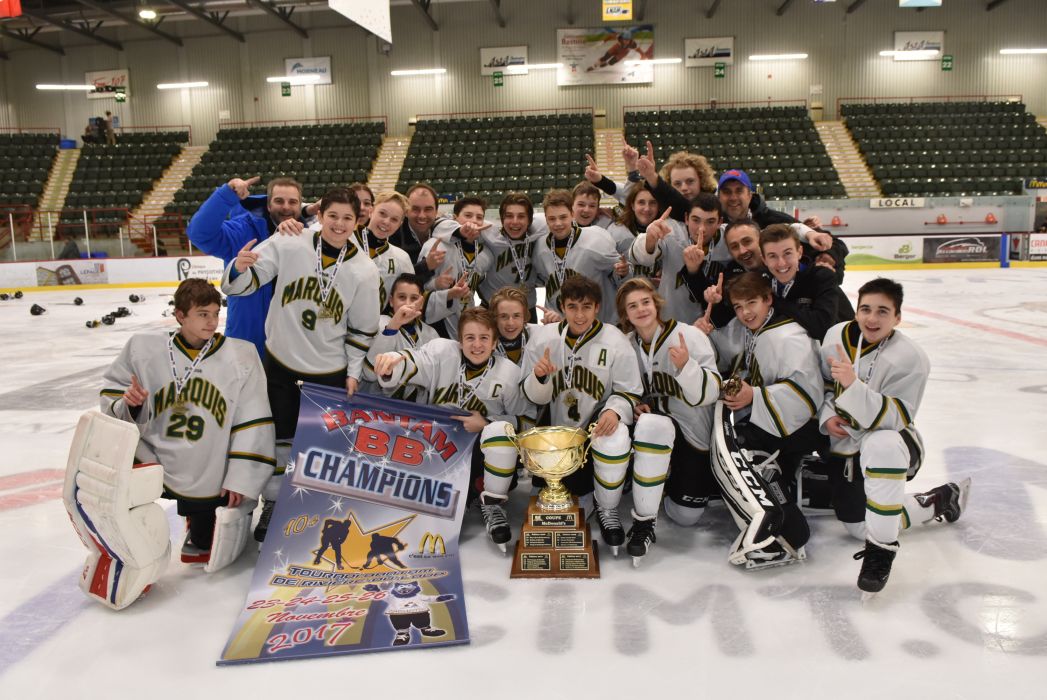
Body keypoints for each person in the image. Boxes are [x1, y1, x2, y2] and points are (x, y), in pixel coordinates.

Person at [222, 187, 380, 542]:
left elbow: (361, 328)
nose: (339, 224)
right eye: (333, 215)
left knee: (323, 448)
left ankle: (320, 514)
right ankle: (274, 504)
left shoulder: (364, 270)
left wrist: (354, 371)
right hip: (281, 362)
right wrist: (239, 267)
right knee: (280, 440)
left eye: (348, 218)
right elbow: (242, 284)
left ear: (359, 221)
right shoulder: (290, 241)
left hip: (329, 368)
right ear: (320, 214)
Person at [99, 278, 275, 567]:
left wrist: (241, 476)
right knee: (116, 489)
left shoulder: (241, 355)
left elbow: (253, 421)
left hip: (208, 468)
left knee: (204, 546)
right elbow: (112, 395)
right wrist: (130, 404)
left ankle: (199, 515)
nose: (212, 322)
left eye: (216, 314)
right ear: (180, 316)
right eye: (202, 314)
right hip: (154, 453)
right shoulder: (143, 349)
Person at [818, 278, 971, 596]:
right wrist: (827, 414)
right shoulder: (836, 336)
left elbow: (895, 419)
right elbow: (821, 387)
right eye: (866, 309)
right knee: (855, 525)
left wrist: (853, 386)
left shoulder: (910, 358)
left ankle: (881, 550)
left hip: (896, 441)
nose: (872, 319)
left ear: (898, 317)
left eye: (883, 312)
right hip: (844, 444)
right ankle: (939, 499)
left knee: (881, 444)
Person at [372, 307, 534, 551]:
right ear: (459, 341)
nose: (476, 345)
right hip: (438, 453)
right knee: (432, 533)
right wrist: (393, 363)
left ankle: (492, 503)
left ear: (494, 342)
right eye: (470, 338)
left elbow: (528, 422)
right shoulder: (441, 352)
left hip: (482, 458)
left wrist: (486, 423)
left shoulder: (509, 373)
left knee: (499, 430)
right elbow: (413, 361)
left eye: (484, 338)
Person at [520, 276, 651, 557]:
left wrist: (615, 409)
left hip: (593, 433)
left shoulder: (614, 340)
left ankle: (608, 509)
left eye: (586, 307)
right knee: (556, 508)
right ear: (562, 308)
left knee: (615, 439)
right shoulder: (544, 339)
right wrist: (539, 377)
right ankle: (572, 489)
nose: (580, 315)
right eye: (572, 307)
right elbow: (533, 398)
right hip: (554, 441)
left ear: (597, 308)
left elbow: (630, 390)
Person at [706, 272, 825, 568]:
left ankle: (788, 534)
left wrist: (755, 397)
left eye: (752, 303)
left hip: (800, 425)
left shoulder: (788, 337)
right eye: (738, 307)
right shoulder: (754, 327)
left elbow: (808, 396)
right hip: (777, 419)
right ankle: (797, 485)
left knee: (743, 445)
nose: (746, 313)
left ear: (768, 300)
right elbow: (730, 351)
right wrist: (702, 333)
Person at [617, 278, 720, 563]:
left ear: (656, 304)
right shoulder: (626, 345)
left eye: (645, 302)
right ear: (625, 314)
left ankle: (663, 479)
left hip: (691, 433)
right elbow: (619, 389)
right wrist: (635, 406)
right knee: (652, 425)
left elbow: (712, 392)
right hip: (653, 428)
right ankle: (644, 521)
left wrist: (687, 366)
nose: (641, 310)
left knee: (685, 516)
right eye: (632, 306)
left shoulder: (688, 336)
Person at [187, 175, 309, 356]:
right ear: (268, 205)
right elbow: (199, 234)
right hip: (248, 341)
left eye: (293, 202)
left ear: (300, 206)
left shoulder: (311, 239)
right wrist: (226, 195)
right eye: (279, 201)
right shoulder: (242, 231)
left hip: (294, 343)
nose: (286, 207)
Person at [716, 169, 849, 279]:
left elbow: (834, 244)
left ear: (749, 195)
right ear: (719, 196)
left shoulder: (774, 219)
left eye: (739, 191)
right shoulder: (713, 227)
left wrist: (827, 257)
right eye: (727, 192)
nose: (733, 197)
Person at [532, 189, 620, 324]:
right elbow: (543, 279)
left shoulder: (596, 240)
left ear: (572, 215)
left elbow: (620, 277)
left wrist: (624, 271)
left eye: (563, 217)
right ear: (545, 218)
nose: (558, 223)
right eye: (552, 218)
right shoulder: (540, 246)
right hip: (556, 322)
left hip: (595, 325)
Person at [759, 224, 854, 340]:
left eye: (787, 253)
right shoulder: (762, 281)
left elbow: (822, 327)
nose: (781, 263)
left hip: (842, 349)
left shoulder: (822, 277)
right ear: (764, 260)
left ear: (799, 252)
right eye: (772, 256)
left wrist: (776, 302)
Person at [362, 273, 447, 402]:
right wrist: (393, 326)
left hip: (416, 410)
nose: (408, 304)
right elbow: (369, 375)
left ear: (422, 303)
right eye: (402, 297)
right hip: (379, 406)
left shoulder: (431, 334)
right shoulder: (379, 324)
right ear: (391, 301)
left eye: (414, 298)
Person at [420, 196, 495, 339]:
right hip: (437, 323)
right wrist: (435, 283)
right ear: (454, 219)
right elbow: (417, 288)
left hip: (468, 319)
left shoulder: (486, 254)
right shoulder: (436, 246)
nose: (474, 221)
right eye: (468, 215)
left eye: (479, 217)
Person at [478, 193, 543, 315]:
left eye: (521, 216)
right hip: (493, 309)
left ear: (529, 219)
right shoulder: (488, 234)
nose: (515, 222)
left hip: (527, 310)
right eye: (509, 216)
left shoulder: (538, 234)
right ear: (502, 219)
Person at [391, 183, 451, 281]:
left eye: (428, 209)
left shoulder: (446, 233)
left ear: (436, 211)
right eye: (415, 209)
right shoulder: (392, 235)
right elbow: (395, 278)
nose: (422, 216)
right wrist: (425, 266)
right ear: (406, 211)